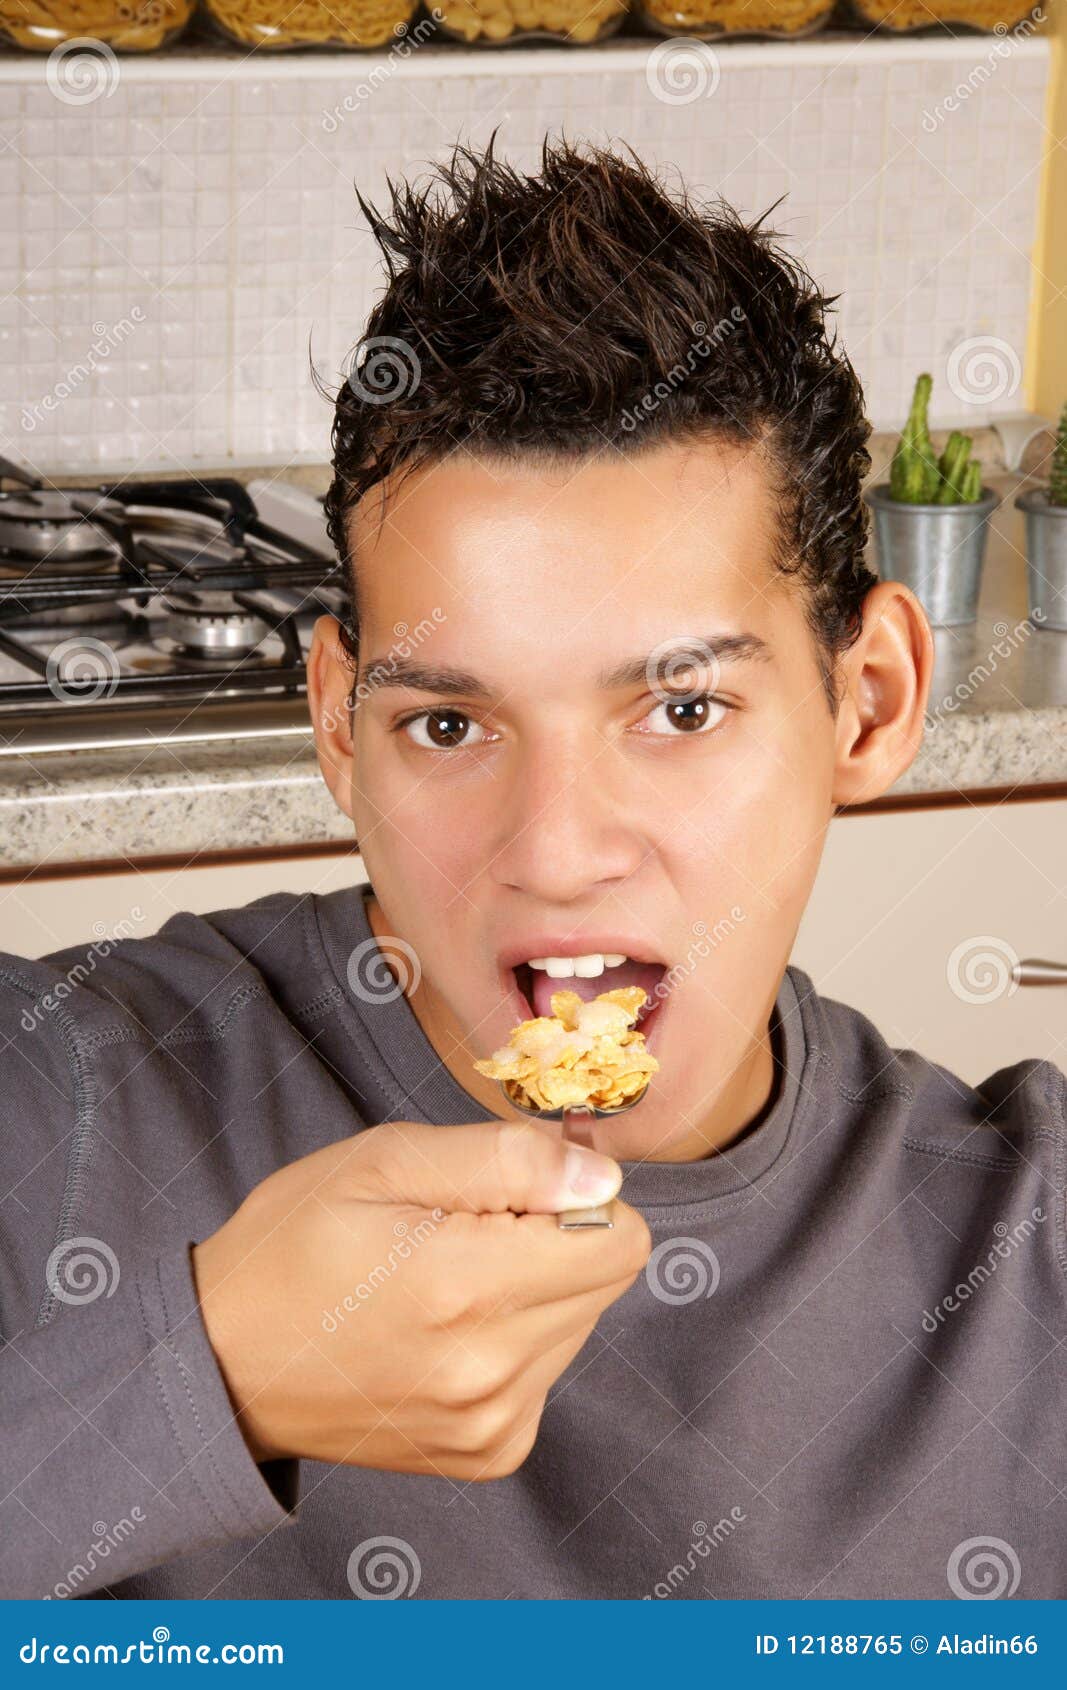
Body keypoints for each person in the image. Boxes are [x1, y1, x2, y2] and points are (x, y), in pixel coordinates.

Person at [2, 139, 1062, 1603]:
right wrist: (195, 1379)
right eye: (449, 721)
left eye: (682, 711)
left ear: (867, 703)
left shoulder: (1032, 1266)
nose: (558, 848)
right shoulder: (56, 1106)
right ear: (336, 725)